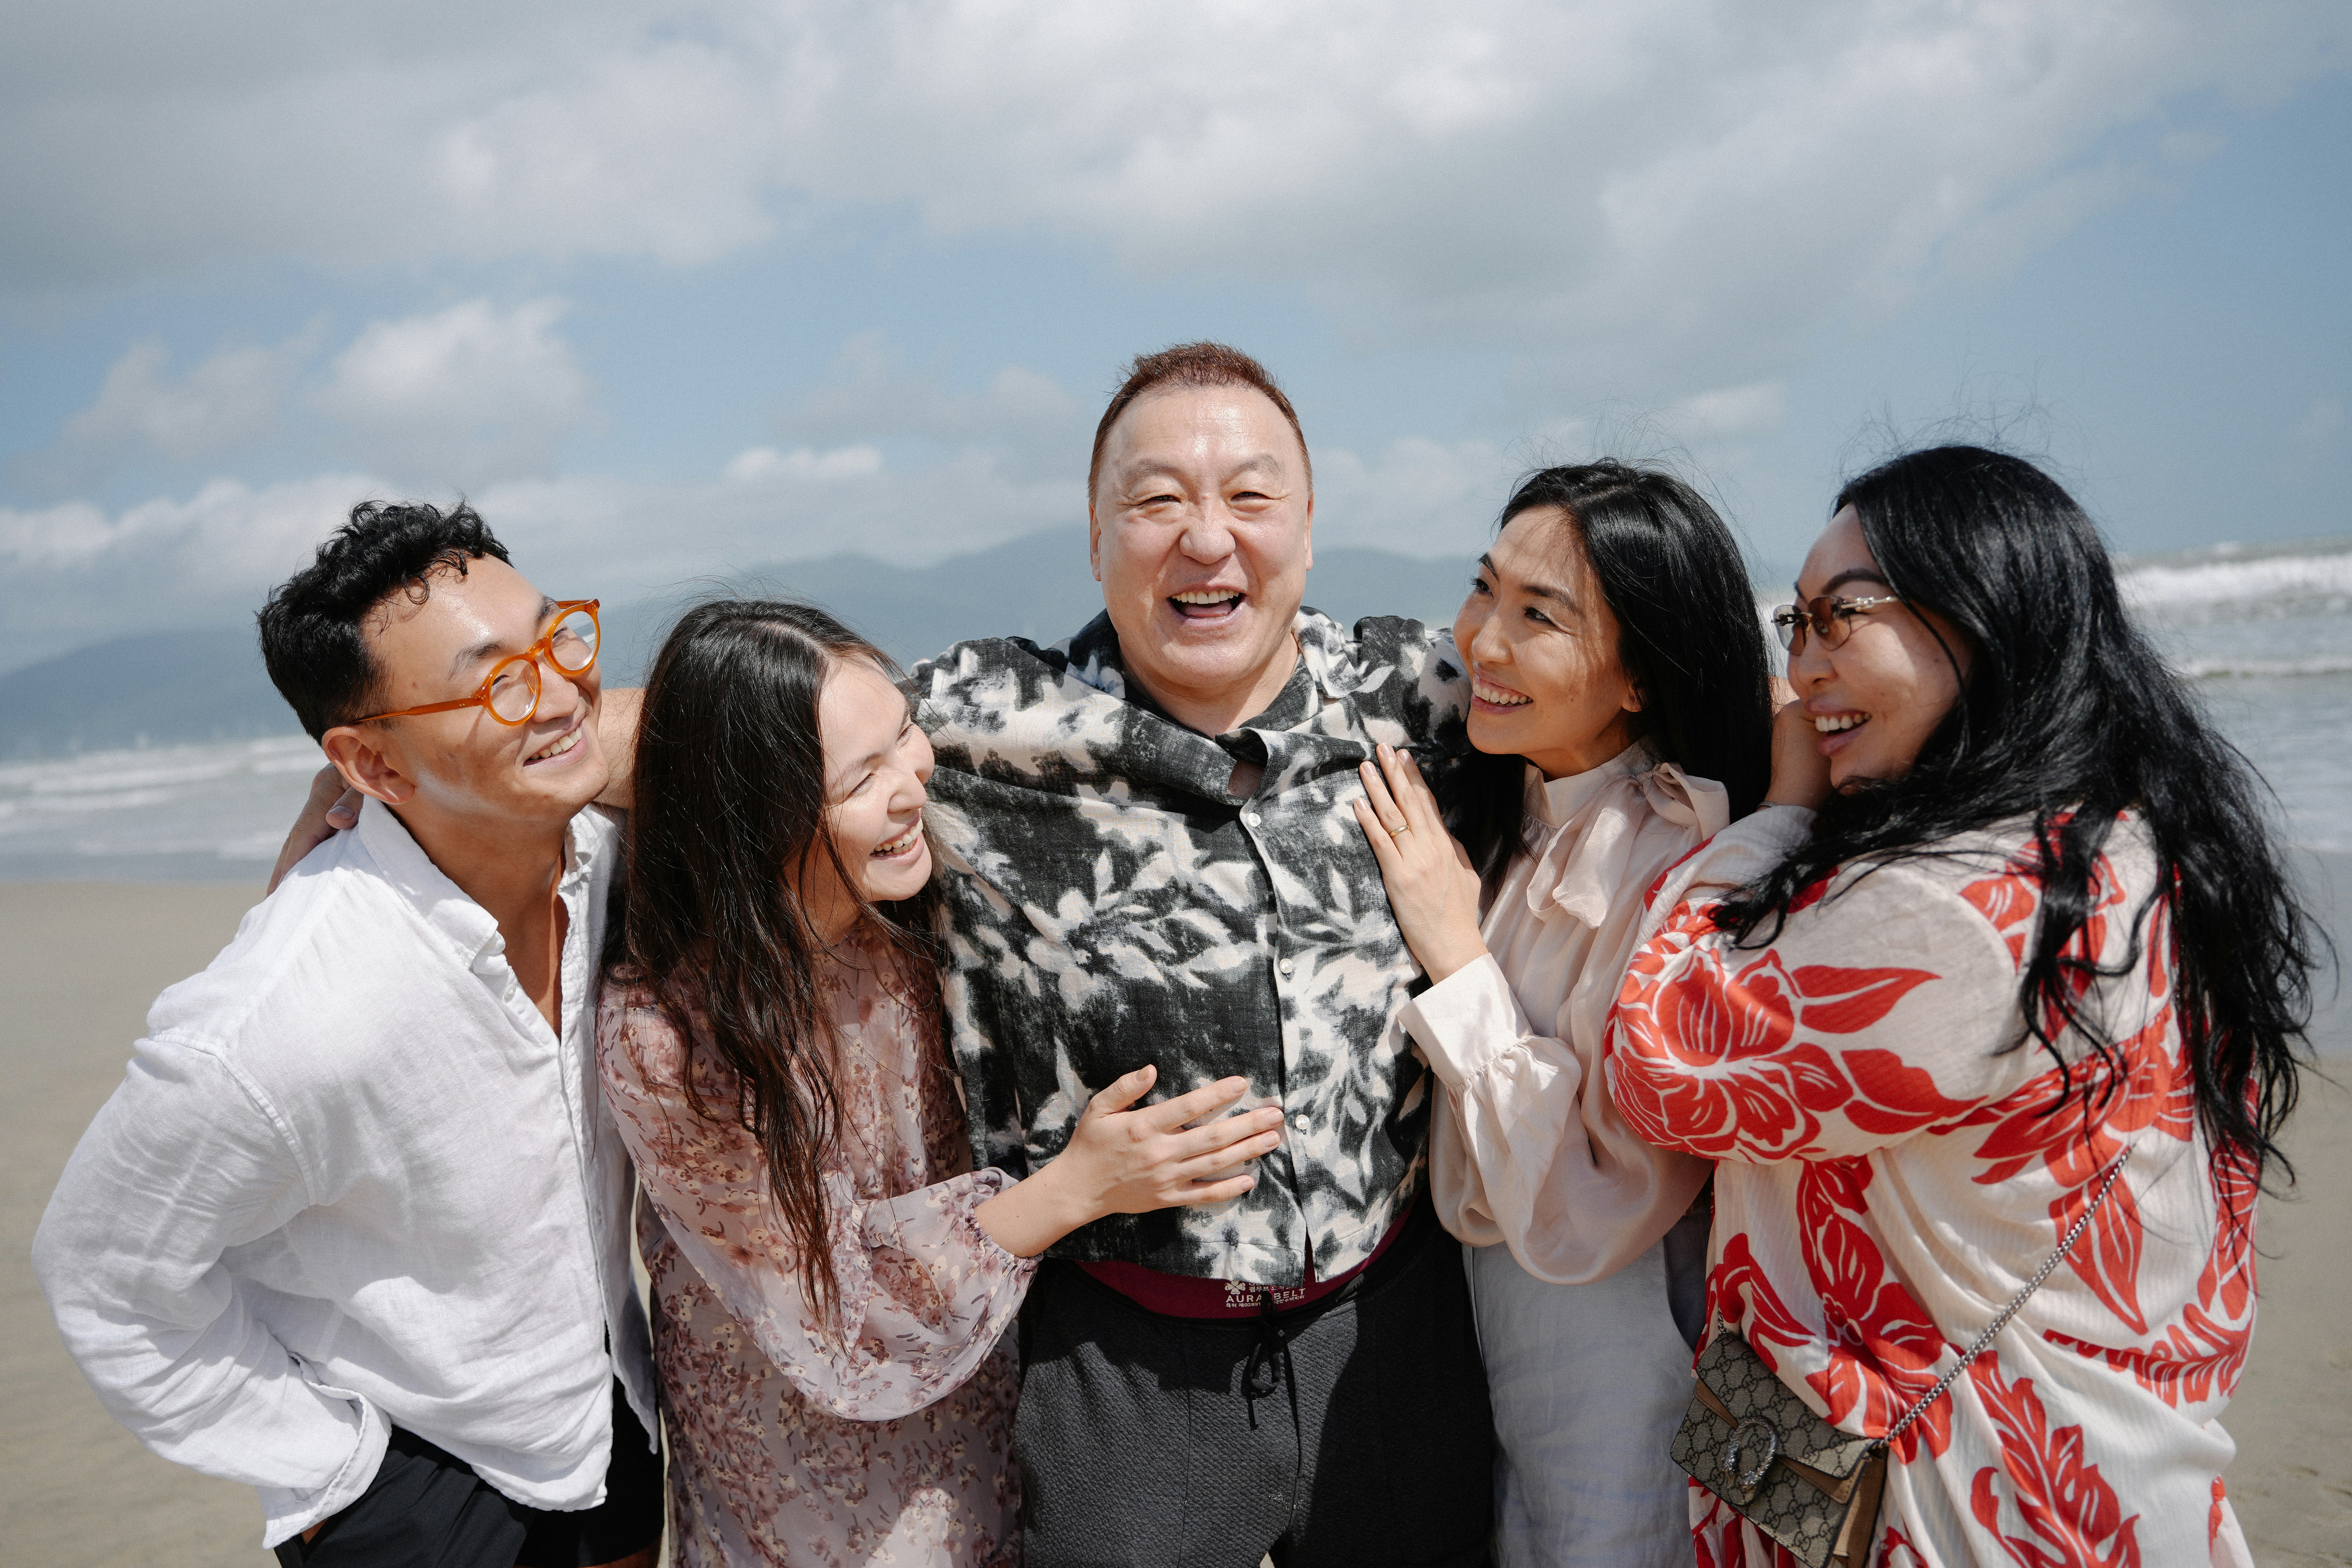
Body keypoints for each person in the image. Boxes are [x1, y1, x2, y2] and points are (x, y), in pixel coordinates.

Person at [271, 343, 1494, 1565]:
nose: (1208, 537)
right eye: (1157, 498)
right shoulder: (978, 722)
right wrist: (393, 792)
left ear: (1312, 523)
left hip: (1390, 1332)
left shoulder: (1424, 696)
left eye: (1251, 495)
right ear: (1092, 533)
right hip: (1115, 1356)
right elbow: (741, 731)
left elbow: (1604, 677)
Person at [1606, 447, 2317, 1566]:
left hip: (1966, 1498)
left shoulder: (1954, 910)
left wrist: (1780, 818)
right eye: (1792, 626)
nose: (1803, 672)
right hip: (2089, 1454)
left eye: (1843, 616)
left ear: (1981, 615)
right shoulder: (2114, 840)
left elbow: (1661, 1065)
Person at [34, 502, 663, 1568]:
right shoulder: (283, 1020)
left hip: (603, 1402)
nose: (559, 694)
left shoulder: (598, 851)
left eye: (558, 637)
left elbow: (764, 715)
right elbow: (100, 1276)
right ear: (370, 766)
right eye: (495, 678)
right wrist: (336, 1478)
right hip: (419, 1484)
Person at [598, 598, 1286, 1565]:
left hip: (996, 1434)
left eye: (904, 732)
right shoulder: (668, 1034)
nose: (913, 782)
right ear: (748, 814)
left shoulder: (911, 911)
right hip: (809, 1506)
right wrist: (1076, 1189)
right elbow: (831, 1311)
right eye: (860, 776)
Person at [1347, 462, 1773, 1566]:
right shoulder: (1511, 811)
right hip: (1495, 1323)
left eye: (1540, 617)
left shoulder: (1677, 859)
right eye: (1484, 590)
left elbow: (1602, 1194)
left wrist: (1453, 949)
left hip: (1621, 1329)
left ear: (1639, 677)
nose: (1482, 643)